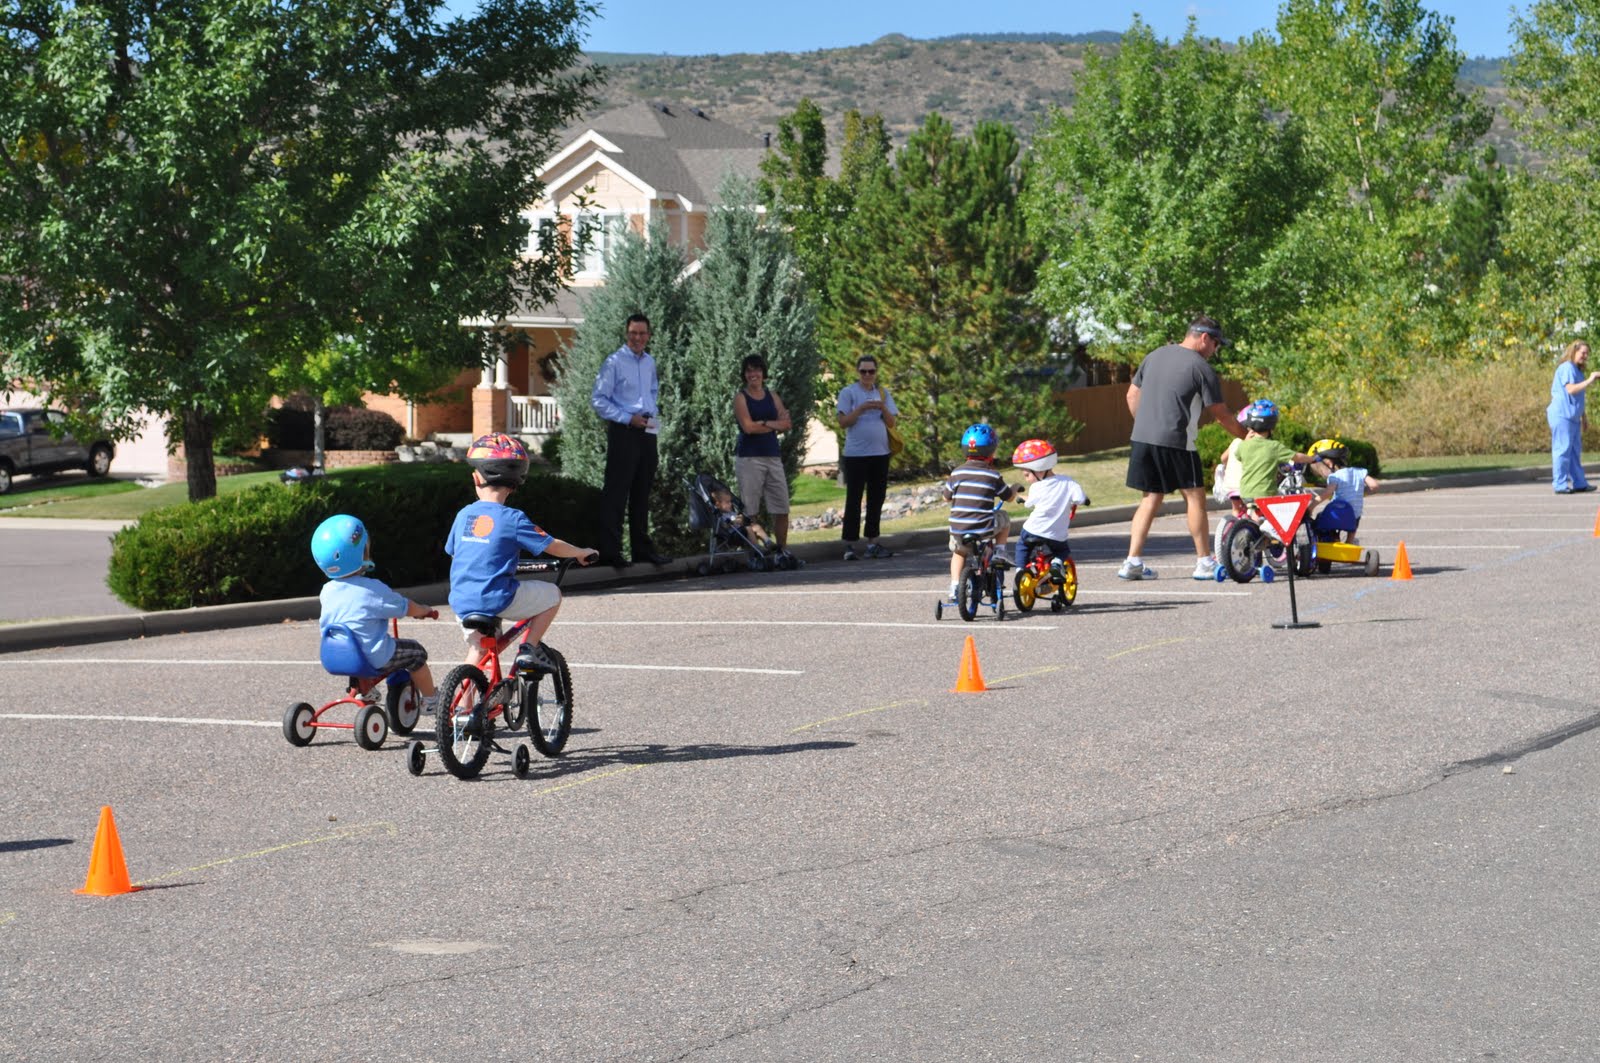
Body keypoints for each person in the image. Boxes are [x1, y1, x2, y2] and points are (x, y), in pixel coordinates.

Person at [445, 433, 597, 672]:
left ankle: (461, 707)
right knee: (553, 595)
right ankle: (529, 650)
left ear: (476, 478)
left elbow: (457, 555)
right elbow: (552, 545)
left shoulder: (463, 515)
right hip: (496, 598)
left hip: (461, 600)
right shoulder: (512, 519)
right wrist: (579, 552)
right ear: (515, 485)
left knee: (479, 650)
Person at [1120, 314, 1247, 582]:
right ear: (1204, 338)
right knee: (1194, 497)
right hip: (1178, 441)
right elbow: (1221, 414)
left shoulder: (1154, 355)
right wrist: (1247, 437)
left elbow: (1132, 394)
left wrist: (1146, 425)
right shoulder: (1201, 368)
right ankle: (1203, 562)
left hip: (1143, 438)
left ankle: (1132, 562)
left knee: (1150, 498)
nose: (1216, 350)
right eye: (1216, 344)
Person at [312, 513, 441, 712]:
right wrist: (424, 610)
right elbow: (405, 607)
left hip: (334, 655)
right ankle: (431, 701)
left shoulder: (327, 590)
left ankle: (366, 690)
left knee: (357, 639)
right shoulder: (371, 589)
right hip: (372, 655)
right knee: (416, 653)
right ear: (360, 554)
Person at [591, 313, 672, 566]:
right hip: (624, 431)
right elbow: (598, 400)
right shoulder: (614, 362)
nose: (637, 338)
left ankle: (642, 550)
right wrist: (627, 418)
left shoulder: (649, 362)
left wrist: (651, 415)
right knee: (617, 492)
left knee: (642, 492)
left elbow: (652, 392)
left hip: (646, 432)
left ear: (648, 335)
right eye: (633, 333)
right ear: (627, 334)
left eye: (642, 333)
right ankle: (610, 553)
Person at [942, 423, 1017, 603]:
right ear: (991, 450)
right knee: (1004, 518)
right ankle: (999, 551)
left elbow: (946, 498)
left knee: (959, 553)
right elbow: (1008, 497)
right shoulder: (992, 475)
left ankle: (954, 586)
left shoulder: (956, 473)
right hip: (983, 528)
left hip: (959, 530)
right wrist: (1015, 488)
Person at [836, 354, 899, 561]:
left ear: (876, 372)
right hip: (855, 454)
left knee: (876, 498)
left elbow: (892, 423)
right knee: (853, 499)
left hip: (880, 453)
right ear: (858, 372)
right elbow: (843, 421)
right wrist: (861, 409)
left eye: (871, 371)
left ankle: (872, 541)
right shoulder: (849, 393)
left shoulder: (882, 393)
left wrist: (881, 407)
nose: (867, 375)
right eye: (863, 371)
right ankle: (850, 544)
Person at [732, 353, 794, 551]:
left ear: (763, 373)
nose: (753, 374)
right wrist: (775, 425)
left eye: (757, 370)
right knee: (750, 512)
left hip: (772, 456)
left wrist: (766, 423)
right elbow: (748, 427)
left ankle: (782, 551)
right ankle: (755, 553)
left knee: (782, 508)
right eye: (749, 370)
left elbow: (787, 423)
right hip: (749, 458)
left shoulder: (772, 396)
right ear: (744, 374)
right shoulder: (741, 398)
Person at [1010, 439, 1088, 584]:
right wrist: (1085, 500)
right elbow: (1080, 499)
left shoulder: (1036, 487)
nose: (1027, 480)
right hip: (1056, 534)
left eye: (1027, 475)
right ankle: (1057, 564)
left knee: (1022, 546)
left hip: (1033, 530)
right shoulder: (1069, 482)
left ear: (1039, 469)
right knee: (1062, 551)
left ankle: (1020, 572)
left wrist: (1021, 498)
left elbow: (1029, 503)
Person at [1232, 400, 1328, 501]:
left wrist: (1246, 441)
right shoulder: (1274, 446)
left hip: (1245, 493)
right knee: (1286, 506)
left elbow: (1238, 455)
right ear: (1271, 425)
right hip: (1265, 494)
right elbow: (1297, 457)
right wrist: (1312, 459)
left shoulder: (1244, 445)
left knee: (1257, 514)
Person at [1547, 339, 1600, 494]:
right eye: (1583, 353)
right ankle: (1560, 484)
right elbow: (1570, 389)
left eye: (1586, 354)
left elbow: (1579, 397)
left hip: (1573, 417)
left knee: (1574, 451)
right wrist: (1590, 379)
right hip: (1562, 415)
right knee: (1562, 450)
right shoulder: (1567, 368)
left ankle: (1579, 482)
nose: (1585, 356)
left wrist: (1584, 417)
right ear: (1574, 351)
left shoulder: (1578, 371)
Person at [1308, 438, 1381, 543]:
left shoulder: (1335, 477)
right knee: (1354, 521)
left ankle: (1326, 540)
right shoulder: (1359, 472)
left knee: (1320, 518)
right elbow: (1374, 486)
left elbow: (1327, 493)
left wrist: (1311, 507)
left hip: (1336, 514)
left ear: (1328, 463)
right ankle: (1349, 543)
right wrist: (1361, 493)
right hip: (1354, 518)